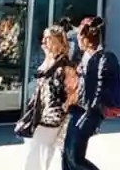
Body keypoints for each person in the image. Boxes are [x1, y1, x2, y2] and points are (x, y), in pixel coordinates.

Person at [20, 26, 77, 170]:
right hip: (39, 114)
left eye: (49, 39)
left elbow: (72, 92)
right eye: (44, 38)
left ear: (59, 42)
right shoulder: (48, 61)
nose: (44, 42)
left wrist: (64, 111)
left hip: (52, 116)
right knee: (39, 151)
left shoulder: (64, 65)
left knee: (38, 151)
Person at [64, 16, 108, 170]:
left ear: (87, 38)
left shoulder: (99, 58)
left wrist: (89, 112)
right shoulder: (85, 56)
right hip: (77, 110)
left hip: (88, 113)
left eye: (79, 36)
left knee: (75, 158)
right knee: (67, 157)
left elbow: (99, 89)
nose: (77, 39)